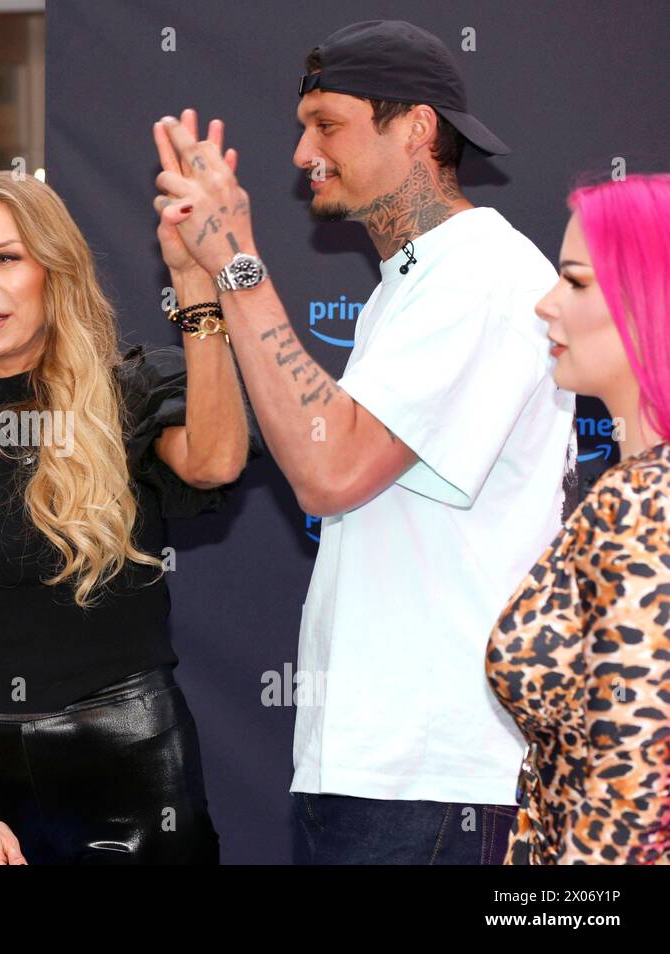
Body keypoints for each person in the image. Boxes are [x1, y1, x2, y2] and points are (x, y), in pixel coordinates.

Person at [153, 19, 577, 863]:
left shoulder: (483, 274)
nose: (304, 151)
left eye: (328, 123)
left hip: (439, 777)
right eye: (304, 127)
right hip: (378, 768)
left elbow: (329, 467)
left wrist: (239, 259)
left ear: (416, 127)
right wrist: (202, 284)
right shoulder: (411, 287)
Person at [0, 167, 262, 864]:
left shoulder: (127, 393)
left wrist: (195, 285)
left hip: (133, 775)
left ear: (55, 272)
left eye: (7, 258)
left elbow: (215, 461)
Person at [487, 173, 670, 865]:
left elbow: (632, 798)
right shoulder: (633, 492)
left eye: (577, 282)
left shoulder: (644, 504)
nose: (546, 304)